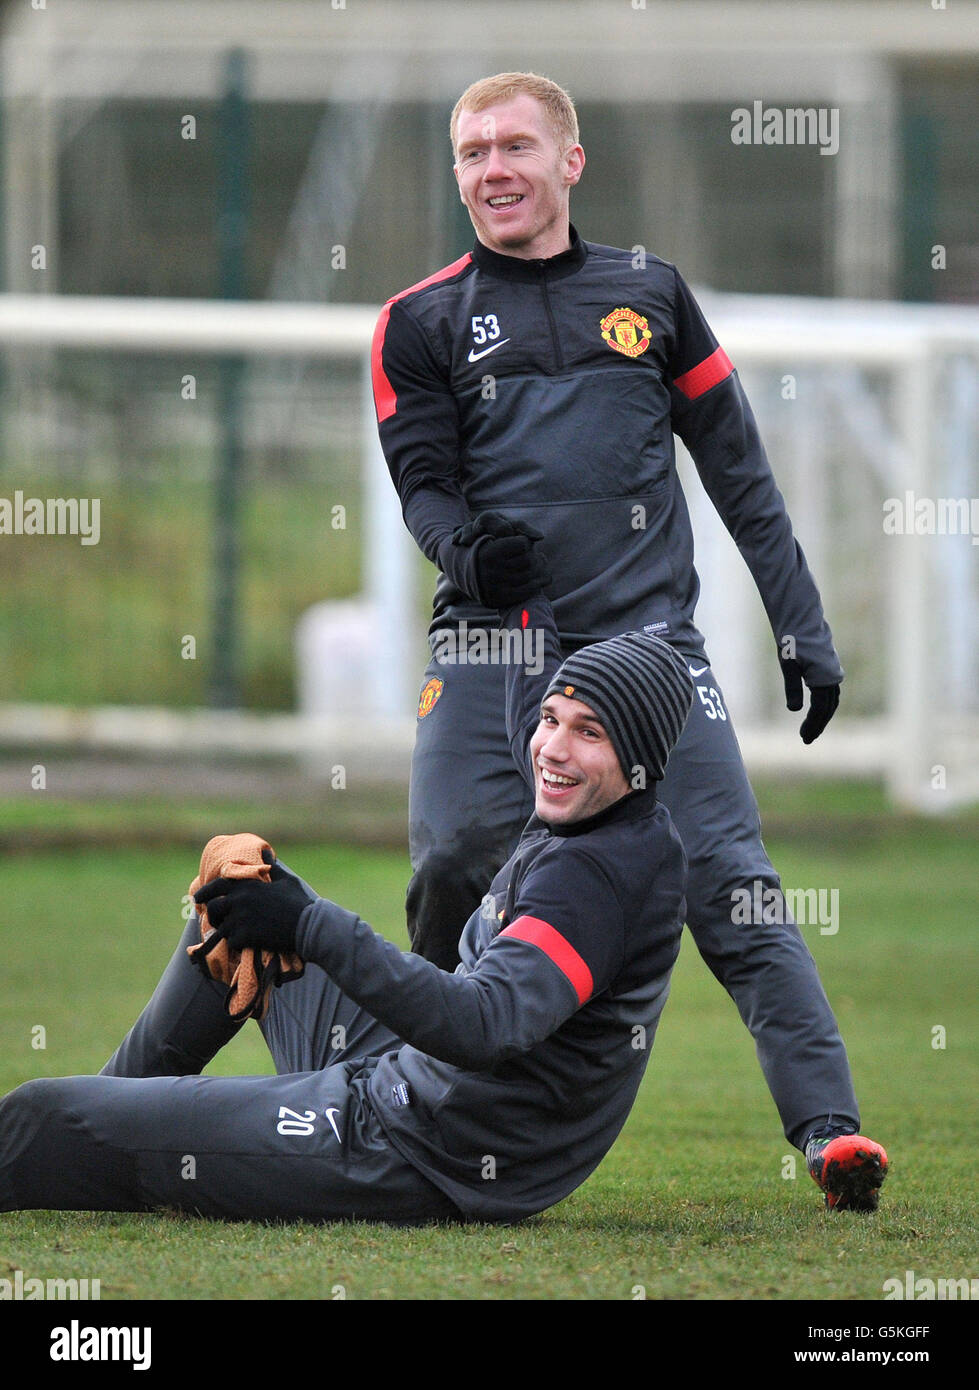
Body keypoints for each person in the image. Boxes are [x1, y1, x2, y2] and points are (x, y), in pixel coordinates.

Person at [370, 71, 888, 1209]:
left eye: (514, 145)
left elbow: (738, 473)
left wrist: (800, 624)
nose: (491, 169)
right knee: (457, 856)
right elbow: (423, 488)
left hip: (652, 655)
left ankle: (830, 1132)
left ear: (570, 161)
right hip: (494, 647)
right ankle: (397, 1092)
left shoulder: (650, 294)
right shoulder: (417, 321)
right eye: (469, 152)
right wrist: (466, 555)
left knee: (733, 887)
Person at [0, 575, 695, 1225]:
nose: (552, 748)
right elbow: (532, 718)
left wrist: (310, 924)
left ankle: (92, 1130)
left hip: (421, 1148)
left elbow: (485, 1025)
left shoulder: (596, 881)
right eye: (553, 717)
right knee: (244, 897)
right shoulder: (595, 801)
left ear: (637, 759)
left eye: (587, 731)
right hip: (416, 1085)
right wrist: (521, 602)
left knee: (41, 1117)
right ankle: (117, 1111)